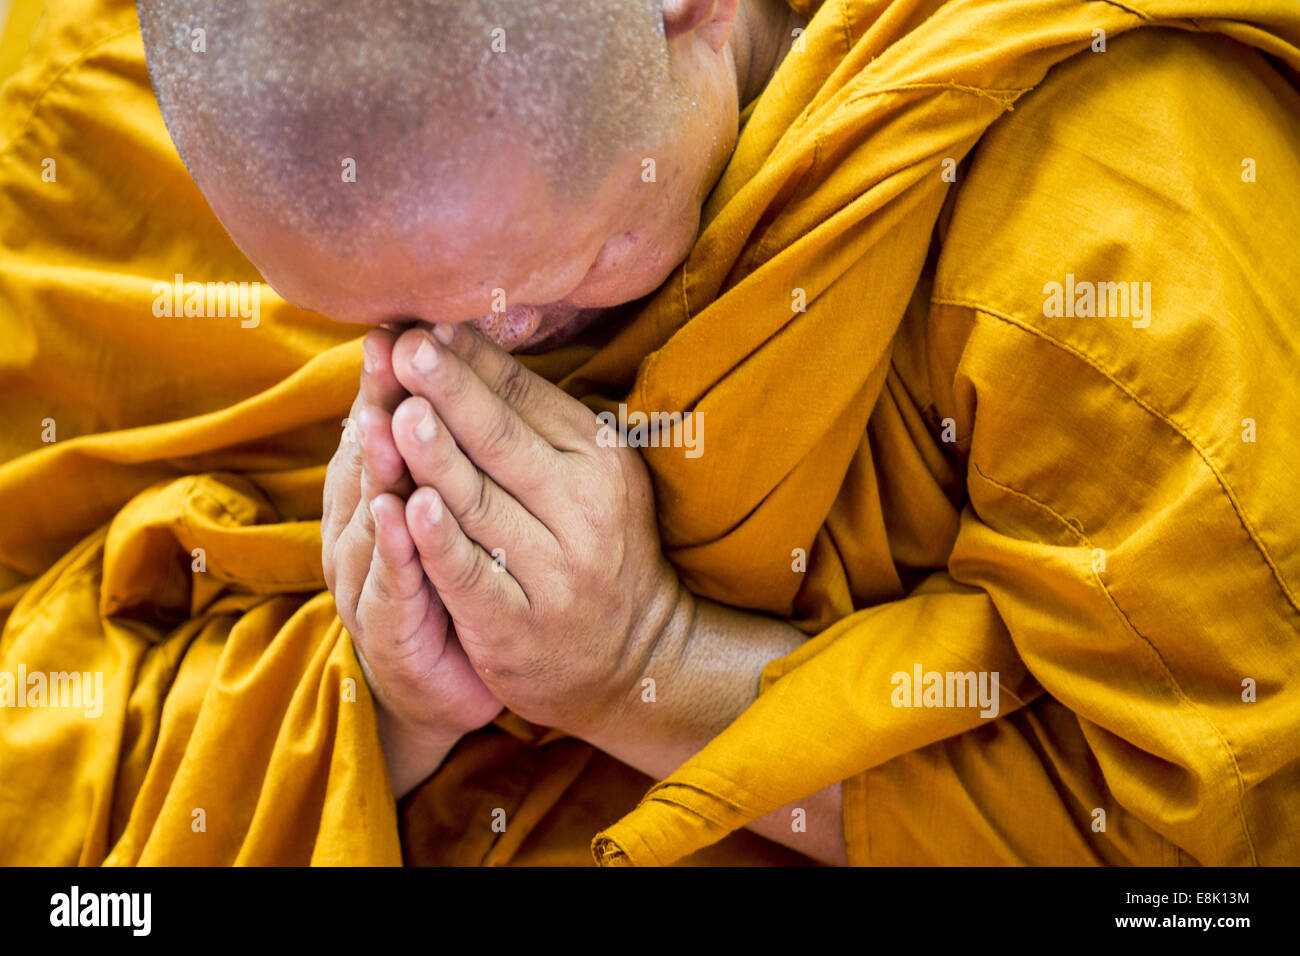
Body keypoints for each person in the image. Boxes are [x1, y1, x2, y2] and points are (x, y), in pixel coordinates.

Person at [0, 0, 1294, 866]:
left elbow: (1204, 841)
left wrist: (646, 673)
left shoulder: (1109, 232)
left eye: (567, 286)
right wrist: (391, 702)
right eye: (380, 318)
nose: (481, 365)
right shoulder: (69, 132)